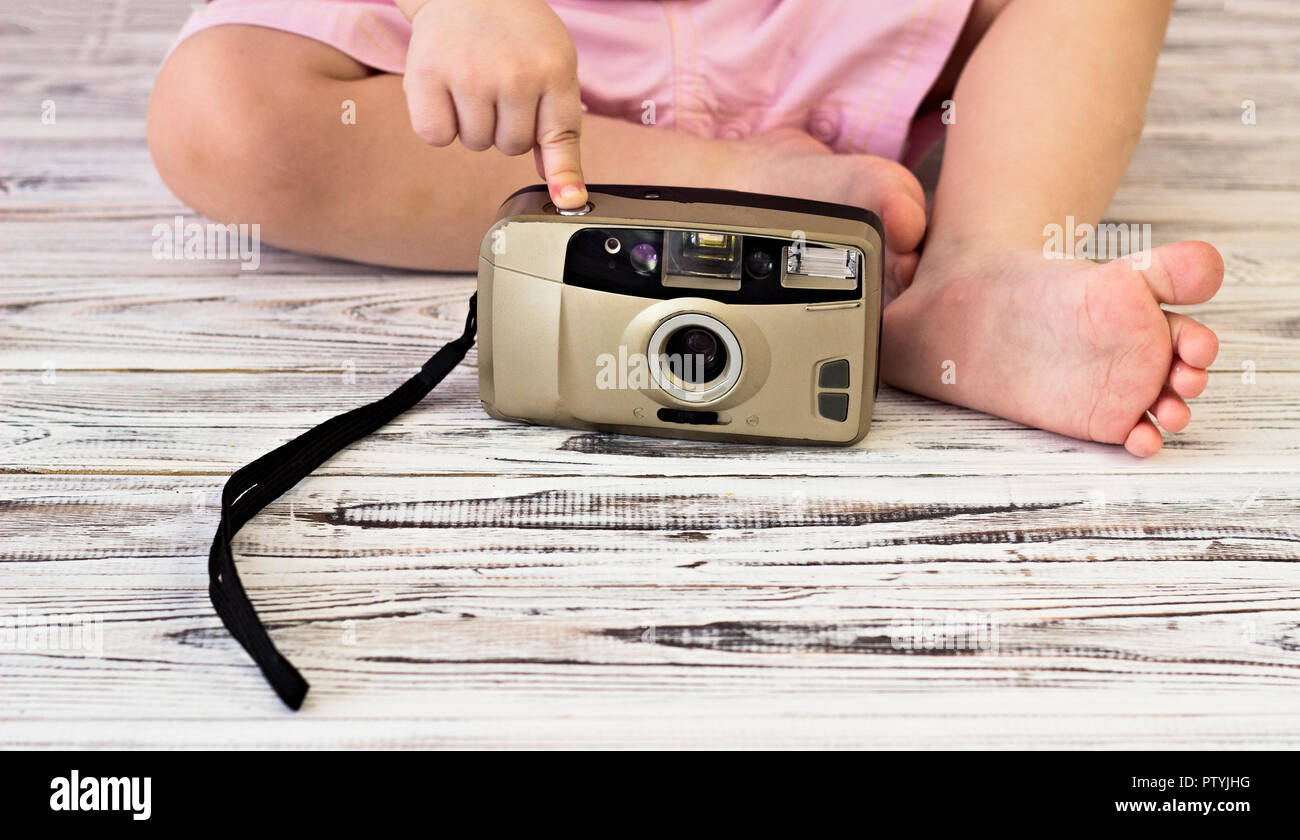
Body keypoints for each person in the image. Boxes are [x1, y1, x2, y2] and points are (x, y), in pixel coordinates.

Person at [148, 0, 1223, 456]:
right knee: (226, 113)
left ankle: (975, 270)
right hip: (527, 44)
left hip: (817, 26)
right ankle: (754, 187)